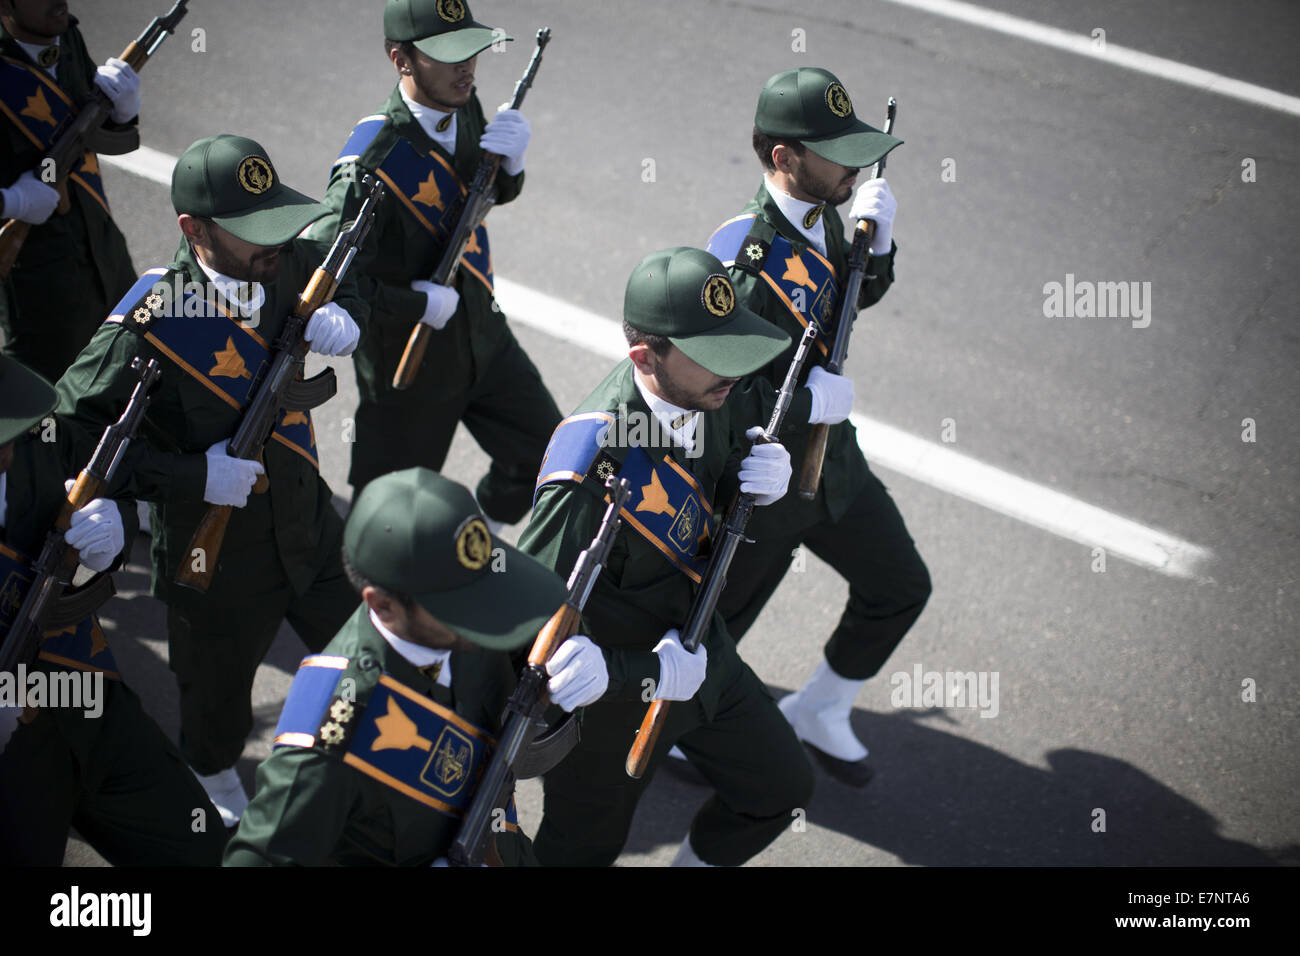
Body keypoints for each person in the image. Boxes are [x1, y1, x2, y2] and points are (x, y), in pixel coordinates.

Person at [54, 133, 366, 827]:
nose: (275, 245)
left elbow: (347, 276)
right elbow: (67, 435)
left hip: (309, 526)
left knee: (365, 656)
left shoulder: (284, 260)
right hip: (214, 556)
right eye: (252, 231)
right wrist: (192, 475)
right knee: (217, 706)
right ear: (193, 230)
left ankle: (363, 766)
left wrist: (347, 319)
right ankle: (216, 779)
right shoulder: (151, 320)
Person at [519, 246, 826, 867]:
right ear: (644, 357)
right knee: (581, 852)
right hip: (610, 703)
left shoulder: (710, 391)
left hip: (702, 650)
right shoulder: (592, 460)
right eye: (714, 356)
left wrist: (757, 479)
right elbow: (527, 619)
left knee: (780, 788)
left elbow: (724, 467)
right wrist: (630, 674)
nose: (733, 372)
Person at [704, 67, 931, 786]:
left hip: (833, 466)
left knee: (900, 584)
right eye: (836, 150)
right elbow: (716, 391)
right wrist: (806, 406)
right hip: (765, 484)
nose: (855, 165)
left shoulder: (824, 213)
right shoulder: (741, 259)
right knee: (713, 635)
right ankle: (680, 736)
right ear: (785, 157)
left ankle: (822, 708)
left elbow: (846, 300)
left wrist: (880, 245)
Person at [224, 467, 608, 866]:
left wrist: (576, 666)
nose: (483, 611)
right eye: (456, 606)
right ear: (383, 605)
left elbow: (526, 666)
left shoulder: (460, 622)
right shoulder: (330, 741)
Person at [307, 0, 561, 523]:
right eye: (447, 55)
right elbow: (325, 275)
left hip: (481, 332)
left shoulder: (460, 101)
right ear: (401, 59)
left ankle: (481, 531)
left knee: (546, 456)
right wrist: (414, 302)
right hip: (410, 363)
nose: (466, 67)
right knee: (388, 516)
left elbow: (478, 193)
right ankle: (366, 602)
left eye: (471, 50)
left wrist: (511, 168)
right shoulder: (370, 161)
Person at [0, 354, 226, 865]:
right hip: (13, 762)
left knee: (199, 844)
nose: (12, 445)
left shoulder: (34, 439)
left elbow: (110, 477)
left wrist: (116, 528)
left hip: (92, 701)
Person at [0, 0, 140, 382]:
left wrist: (122, 113)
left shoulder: (67, 36)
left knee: (132, 368)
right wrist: (11, 201)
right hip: (42, 287)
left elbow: (93, 134)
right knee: (51, 405)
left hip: (105, 253)